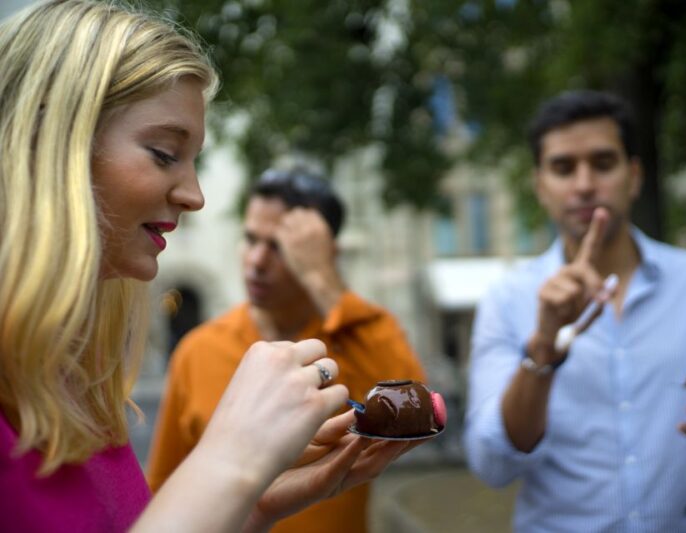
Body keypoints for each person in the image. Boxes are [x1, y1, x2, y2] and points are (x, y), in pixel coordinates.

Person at [0, 1, 410, 531]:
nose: (194, 197)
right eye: (164, 153)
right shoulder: (200, 350)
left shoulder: (75, 381)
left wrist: (251, 505)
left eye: (282, 244)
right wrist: (232, 463)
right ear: (51, 141)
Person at [463, 90, 686, 532]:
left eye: (603, 162)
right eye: (563, 167)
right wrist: (542, 350)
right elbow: (491, 464)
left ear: (634, 177)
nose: (584, 184)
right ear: (540, 186)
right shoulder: (508, 298)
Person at [146, 168, 427, 533]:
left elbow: (417, 418)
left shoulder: (360, 333)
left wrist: (321, 278)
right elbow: (163, 486)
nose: (256, 261)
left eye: (279, 246)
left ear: (324, 253)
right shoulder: (199, 350)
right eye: (250, 239)